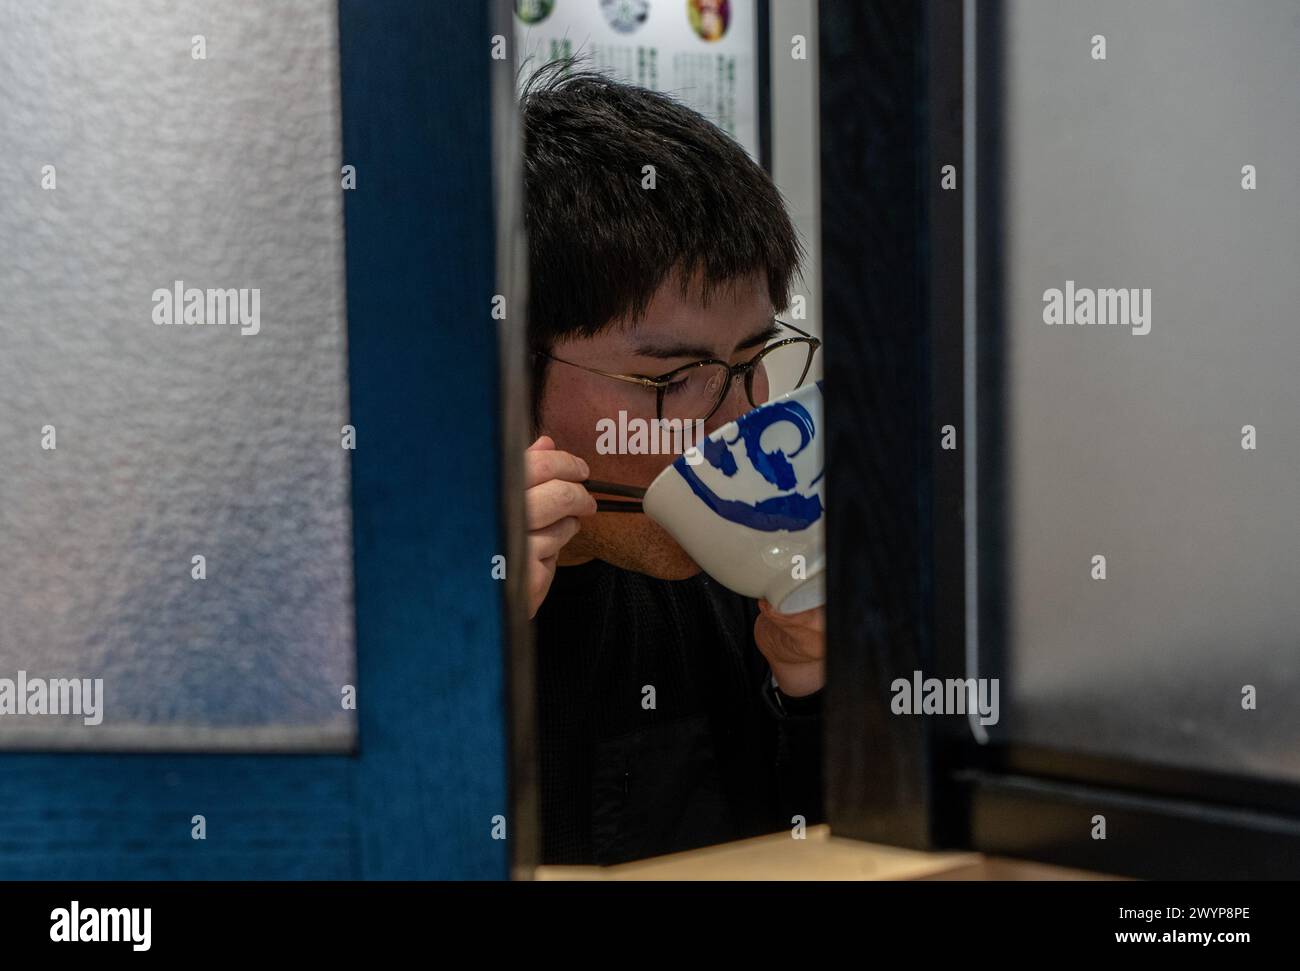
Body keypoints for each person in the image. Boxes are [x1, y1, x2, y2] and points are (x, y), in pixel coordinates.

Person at [521, 60, 825, 865]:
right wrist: (445, 659)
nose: (740, 422)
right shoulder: (365, 602)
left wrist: (814, 688)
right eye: (671, 378)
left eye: (753, 359)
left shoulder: (745, 578)